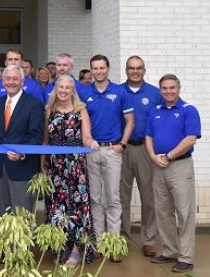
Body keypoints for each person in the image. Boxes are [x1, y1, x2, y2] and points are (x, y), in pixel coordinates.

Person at [76, 55, 133, 262]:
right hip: (91, 150)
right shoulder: (84, 92)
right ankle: (99, 243)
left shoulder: (120, 92)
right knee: (95, 198)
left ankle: (114, 244)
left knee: (113, 198)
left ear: (108, 69)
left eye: (102, 68)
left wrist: (122, 145)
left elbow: (130, 121)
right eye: (95, 68)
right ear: (90, 71)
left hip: (112, 150)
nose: (98, 71)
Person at [146, 74, 201, 274]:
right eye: (164, 88)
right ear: (160, 90)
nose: (168, 91)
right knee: (162, 212)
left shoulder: (188, 110)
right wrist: (153, 156)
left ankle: (185, 258)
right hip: (158, 166)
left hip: (179, 166)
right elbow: (148, 136)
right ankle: (169, 251)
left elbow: (191, 139)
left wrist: (168, 156)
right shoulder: (155, 111)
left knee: (184, 213)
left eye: (172, 88)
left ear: (179, 88)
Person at [43, 76, 97, 267]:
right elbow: (45, 141)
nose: (64, 90)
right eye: (61, 87)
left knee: (77, 206)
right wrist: (42, 166)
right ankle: (59, 246)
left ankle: (76, 249)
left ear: (73, 90)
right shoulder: (49, 110)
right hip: (54, 166)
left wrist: (92, 143)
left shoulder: (80, 110)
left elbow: (87, 137)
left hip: (75, 166)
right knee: (57, 207)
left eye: (68, 87)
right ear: (56, 89)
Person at [0, 65, 45, 217]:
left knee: (22, 216)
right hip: (0, 168)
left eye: (15, 79)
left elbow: (36, 137)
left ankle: (22, 243)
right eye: (7, 79)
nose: (11, 82)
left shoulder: (34, 104)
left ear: (22, 81)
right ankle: (3, 242)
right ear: (2, 81)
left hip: (22, 168)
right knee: (1, 215)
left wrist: (21, 153)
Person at [119, 56, 162, 257]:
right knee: (120, 197)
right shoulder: (118, 91)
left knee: (148, 196)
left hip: (146, 149)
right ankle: (121, 239)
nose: (135, 71)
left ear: (144, 70)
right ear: (126, 70)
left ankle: (148, 240)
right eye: (131, 68)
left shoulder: (155, 93)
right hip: (122, 149)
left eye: (139, 68)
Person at [0, 48, 45, 124]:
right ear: (5, 62)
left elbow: (38, 112)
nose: (13, 62)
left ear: (22, 62)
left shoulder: (34, 85)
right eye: (10, 59)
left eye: (16, 59)